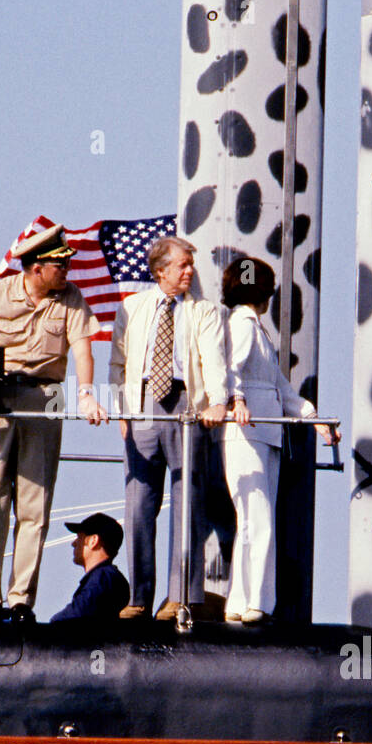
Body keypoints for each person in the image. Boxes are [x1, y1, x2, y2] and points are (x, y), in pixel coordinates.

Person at [0, 223, 107, 622]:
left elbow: (83, 350)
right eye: (59, 266)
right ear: (36, 268)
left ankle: (20, 601)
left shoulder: (71, 299)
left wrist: (86, 393)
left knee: (35, 506)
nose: (67, 271)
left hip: (45, 397)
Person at [108, 236, 229, 621]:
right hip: (141, 403)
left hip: (184, 405)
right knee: (139, 503)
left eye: (191, 265)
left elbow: (213, 360)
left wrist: (218, 400)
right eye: (183, 265)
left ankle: (180, 596)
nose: (190, 272)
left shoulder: (204, 312)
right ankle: (139, 596)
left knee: (186, 501)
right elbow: (117, 364)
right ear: (161, 271)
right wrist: (122, 413)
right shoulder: (132, 307)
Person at [220, 256, 338, 624]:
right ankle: (257, 602)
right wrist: (237, 400)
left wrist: (312, 418)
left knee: (253, 520)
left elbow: (281, 388)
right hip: (248, 429)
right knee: (258, 518)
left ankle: (241, 601)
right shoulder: (243, 324)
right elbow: (230, 368)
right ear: (263, 293)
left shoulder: (257, 329)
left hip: (265, 430)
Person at [50, 513, 131, 623]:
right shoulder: (106, 577)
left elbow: (78, 613)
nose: (73, 543)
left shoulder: (103, 577)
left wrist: (52, 624)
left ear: (93, 541)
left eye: (79, 537)